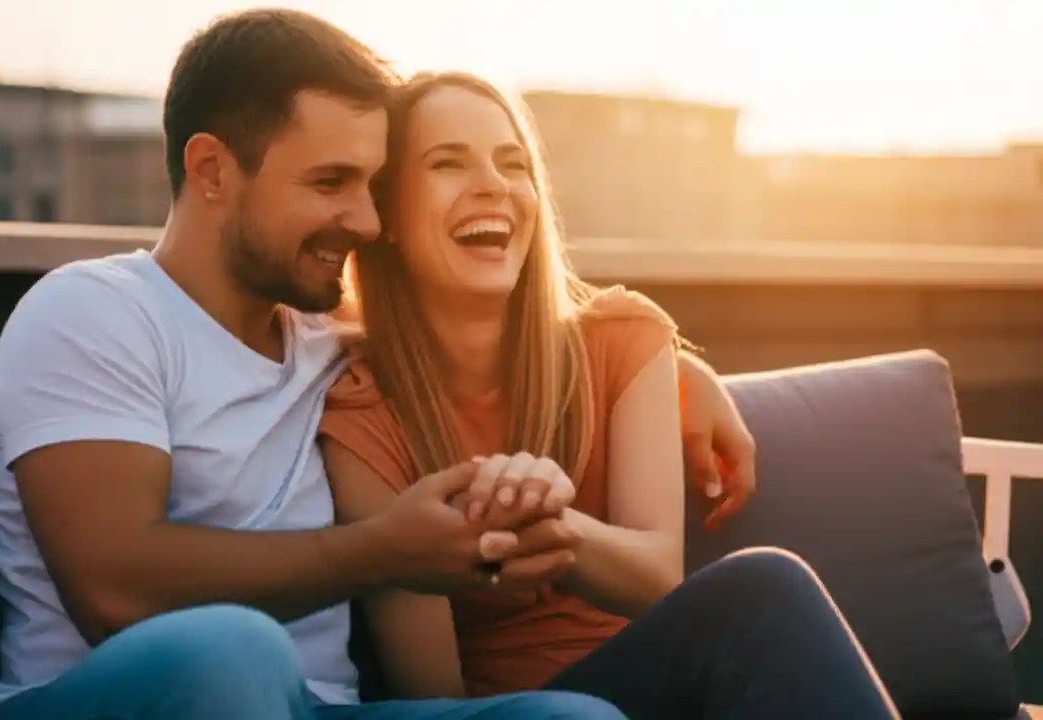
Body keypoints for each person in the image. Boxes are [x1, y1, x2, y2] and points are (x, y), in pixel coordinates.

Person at [0, 8, 755, 720]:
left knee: (572, 719)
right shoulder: (93, 313)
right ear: (212, 170)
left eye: (373, 185)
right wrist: (379, 551)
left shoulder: (328, 347)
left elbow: (498, 332)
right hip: (117, 701)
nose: (366, 219)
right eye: (331, 183)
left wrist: (679, 368)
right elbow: (114, 589)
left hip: (328, 712)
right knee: (232, 652)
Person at [317, 72, 900, 719]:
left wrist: (550, 522)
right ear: (388, 215)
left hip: (658, 685)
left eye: (513, 165)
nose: (492, 185)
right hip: (517, 712)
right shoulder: (360, 412)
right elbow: (430, 694)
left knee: (768, 586)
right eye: (447, 163)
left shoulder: (624, 342)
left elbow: (657, 578)